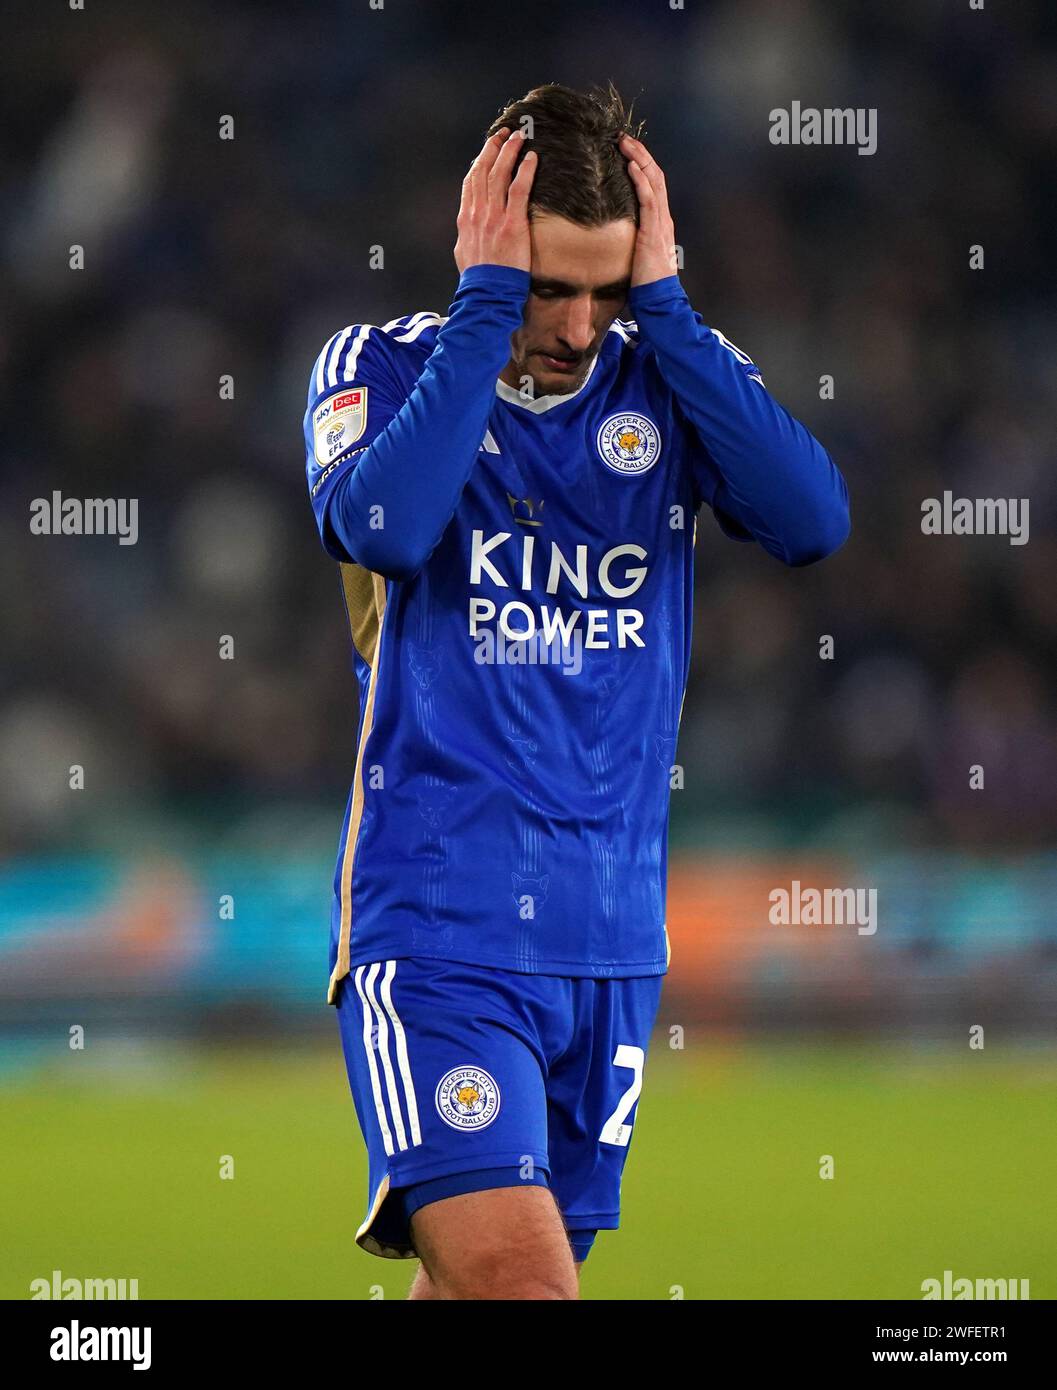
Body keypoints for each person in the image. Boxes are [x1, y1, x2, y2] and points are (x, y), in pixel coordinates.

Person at [302, 83, 849, 1300]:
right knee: (529, 1292)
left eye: (606, 288)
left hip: (610, 940)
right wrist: (482, 306)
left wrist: (669, 312)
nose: (577, 323)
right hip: (440, 926)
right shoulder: (380, 367)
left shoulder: (666, 371)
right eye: (549, 284)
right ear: (485, 247)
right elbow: (381, 526)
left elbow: (811, 521)